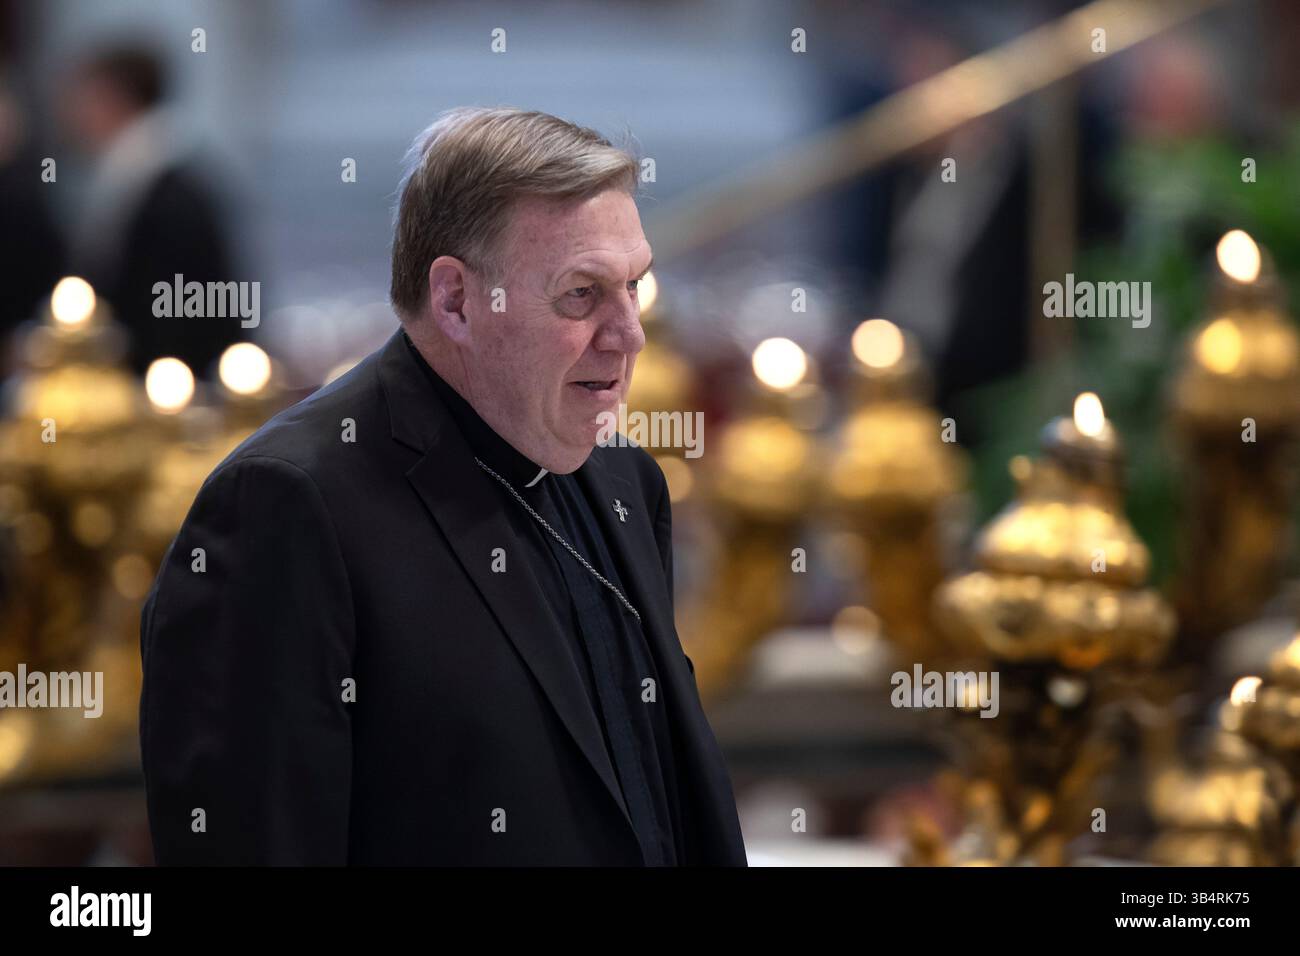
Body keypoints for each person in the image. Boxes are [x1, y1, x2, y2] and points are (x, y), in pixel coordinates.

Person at [139, 106, 748, 866]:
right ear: (457, 300)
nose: (630, 334)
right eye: (582, 294)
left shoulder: (626, 480)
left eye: (635, 286)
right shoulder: (287, 506)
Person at [62, 44, 240, 377]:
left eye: (84, 98)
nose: (72, 113)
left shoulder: (164, 191)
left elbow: (180, 314)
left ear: (114, 97)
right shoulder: (140, 175)